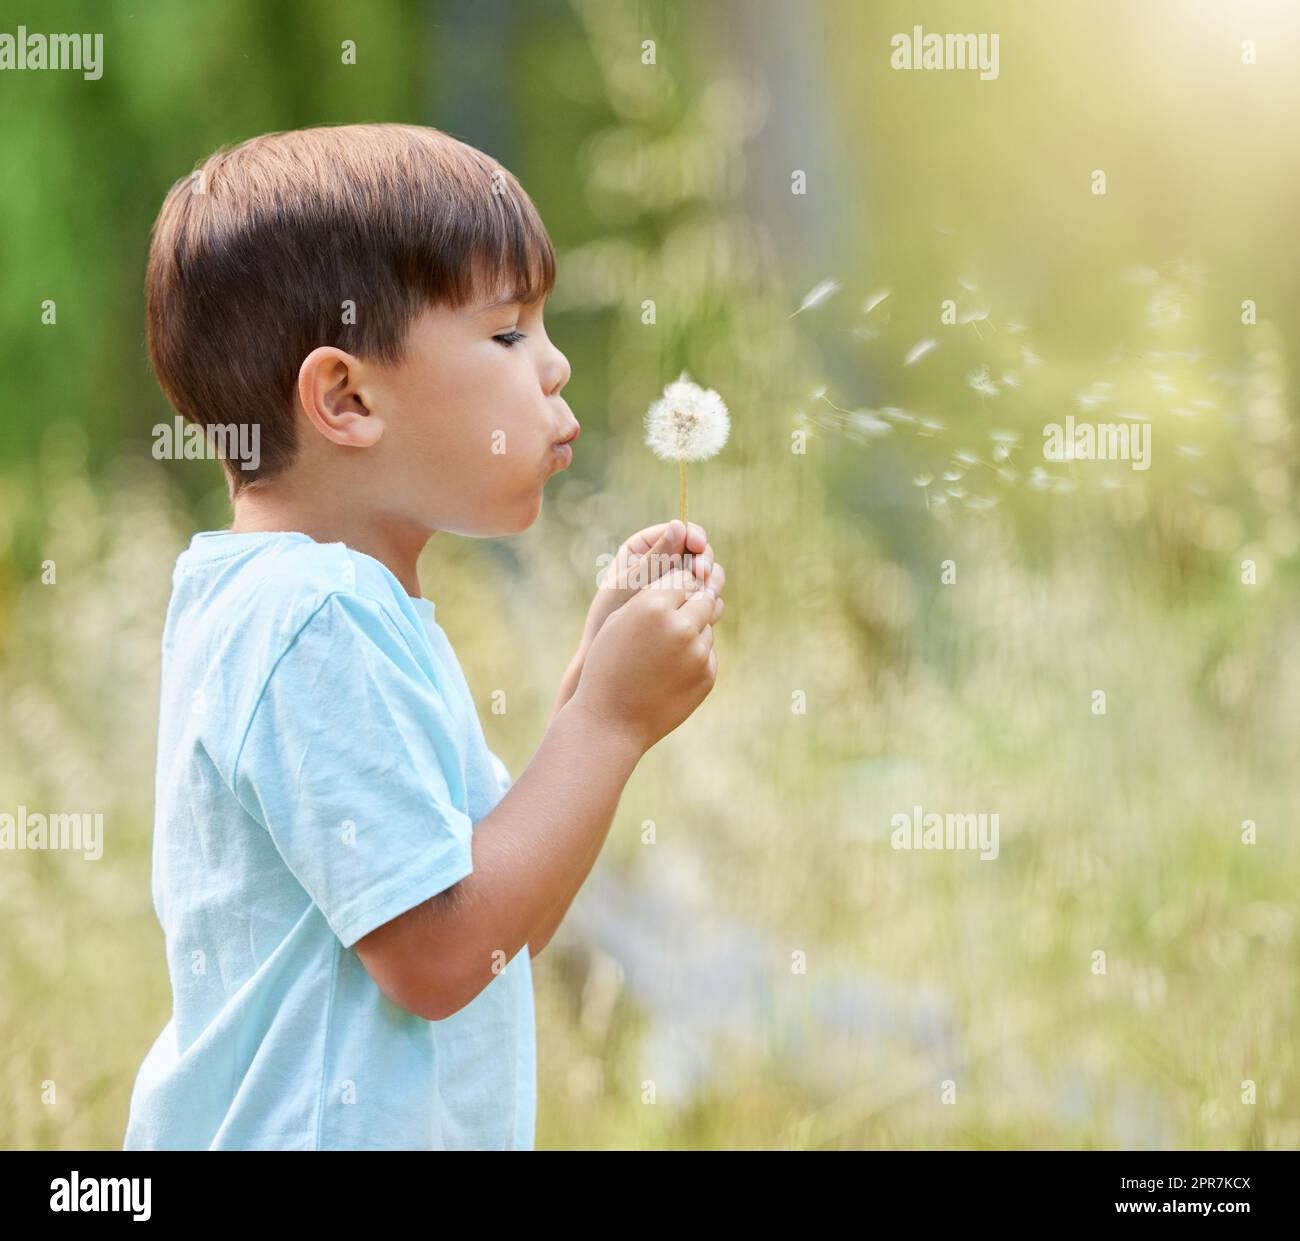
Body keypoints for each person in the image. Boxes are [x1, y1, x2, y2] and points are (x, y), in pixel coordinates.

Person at [122, 123, 725, 1150]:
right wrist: (611, 727)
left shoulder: (322, 607)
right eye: (506, 333)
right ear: (347, 398)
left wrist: (590, 694)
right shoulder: (315, 615)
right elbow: (443, 959)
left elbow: (501, 927)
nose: (554, 362)